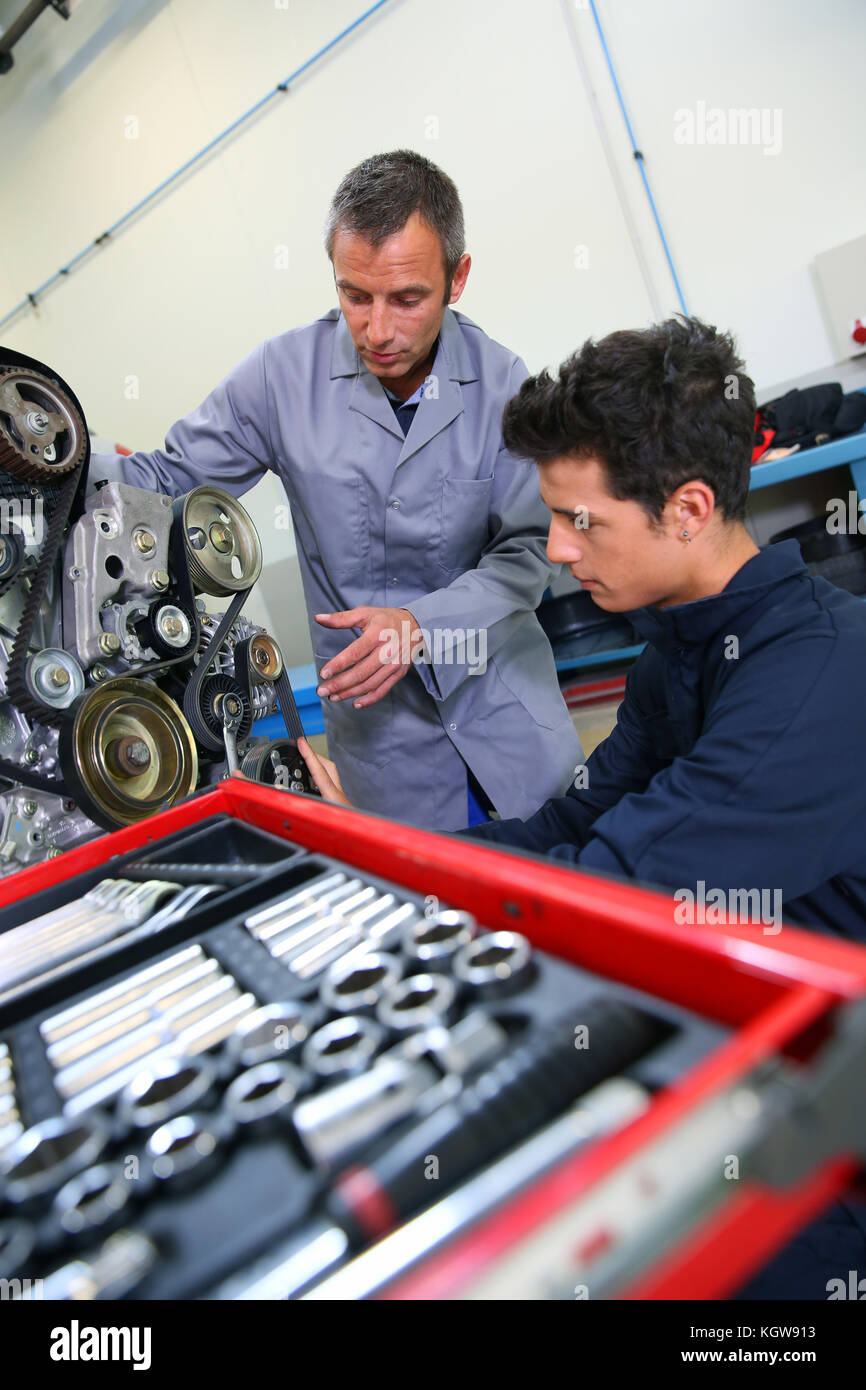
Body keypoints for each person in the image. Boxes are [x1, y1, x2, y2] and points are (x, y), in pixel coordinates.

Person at [299, 313, 866, 1299]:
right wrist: (387, 864)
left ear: (686, 508)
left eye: (580, 520)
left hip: (832, 1121)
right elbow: (571, 824)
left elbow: (611, 892)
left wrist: (404, 910)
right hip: (749, 1036)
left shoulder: (810, 682)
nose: (556, 551)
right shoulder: (682, 646)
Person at [90, 150, 580, 832]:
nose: (377, 330)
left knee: (555, 905)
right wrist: (54, 467)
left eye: (407, 299)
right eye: (355, 294)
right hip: (388, 760)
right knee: (424, 923)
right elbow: (164, 482)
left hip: (510, 727)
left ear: (457, 278)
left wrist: (421, 628)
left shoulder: (505, 386)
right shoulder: (280, 379)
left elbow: (531, 549)